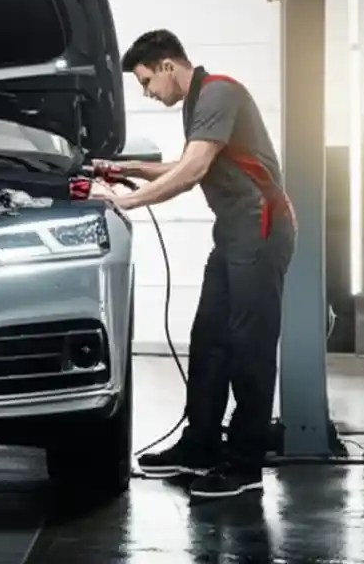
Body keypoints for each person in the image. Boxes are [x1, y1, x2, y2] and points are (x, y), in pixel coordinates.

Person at [92, 29, 296, 499]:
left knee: (250, 347)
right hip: (232, 233)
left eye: (146, 82)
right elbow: (186, 163)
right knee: (208, 341)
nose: (147, 92)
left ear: (168, 66)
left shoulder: (221, 91)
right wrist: (123, 170)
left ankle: (245, 467)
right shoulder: (198, 101)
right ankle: (199, 445)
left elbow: (192, 171)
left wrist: (126, 203)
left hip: (261, 228)